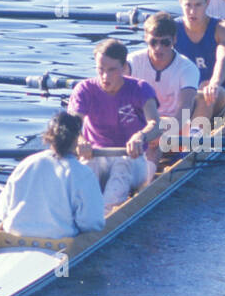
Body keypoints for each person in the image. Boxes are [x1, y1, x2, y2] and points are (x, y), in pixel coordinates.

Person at [0, 111, 105, 252]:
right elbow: (92, 223)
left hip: (13, 239)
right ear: (76, 140)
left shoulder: (26, 164)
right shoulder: (83, 173)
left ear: (48, 137)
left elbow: (0, 212)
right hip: (58, 245)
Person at [68, 39, 161, 212]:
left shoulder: (140, 88)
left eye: (112, 70)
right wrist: (79, 139)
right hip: (95, 155)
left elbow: (155, 125)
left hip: (132, 159)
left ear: (124, 67)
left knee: (122, 164)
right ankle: (79, 211)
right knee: (87, 166)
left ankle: (106, 215)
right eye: (100, 70)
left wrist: (141, 136)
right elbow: (71, 125)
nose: (105, 77)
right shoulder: (84, 89)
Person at [127, 11, 200, 169]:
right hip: (141, 126)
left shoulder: (187, 68)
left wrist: (157, 132)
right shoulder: (133, 61)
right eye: (153, 42)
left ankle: (146, 186)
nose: (158, 48)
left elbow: (184, 112)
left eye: (165, 43)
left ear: (174, 40)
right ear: (145, 38)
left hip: (175, 129)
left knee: (157, 131)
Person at [174, 0, 225, 123]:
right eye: (187, 5)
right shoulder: (172, 30)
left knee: (205, 91)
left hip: (219, 95)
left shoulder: (222, 28)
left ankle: (194, 140)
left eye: (198, 5)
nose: (192, 11)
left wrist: (214, 83)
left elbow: (224, 58)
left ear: (207, 3)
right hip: (185, 98)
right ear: (180, 2)